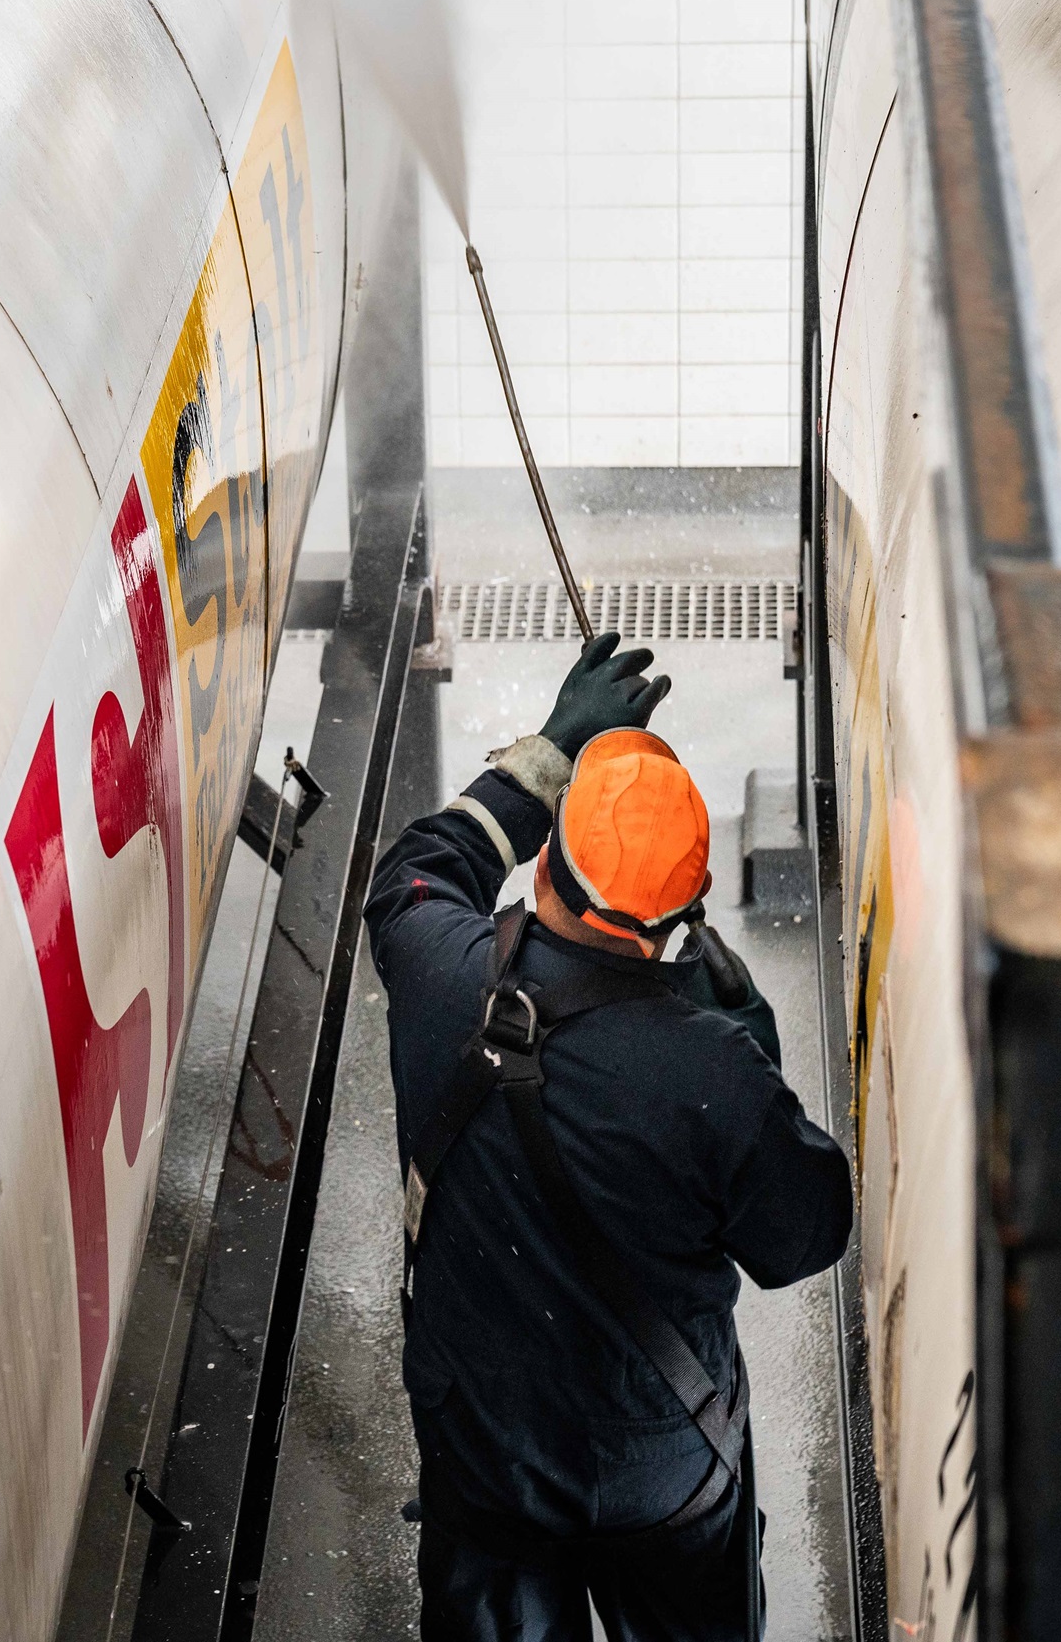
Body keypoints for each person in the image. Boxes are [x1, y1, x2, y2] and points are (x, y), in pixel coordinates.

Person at [365, 632, 853, 1641]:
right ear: (680, 912)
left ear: (550, 858)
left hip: (488, 1464)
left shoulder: (438, 969)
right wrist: (763, 1074)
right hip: (662, 1473)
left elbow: (420, 866)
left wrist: (551, 752)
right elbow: (805, 1239)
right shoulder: (714, 1075)